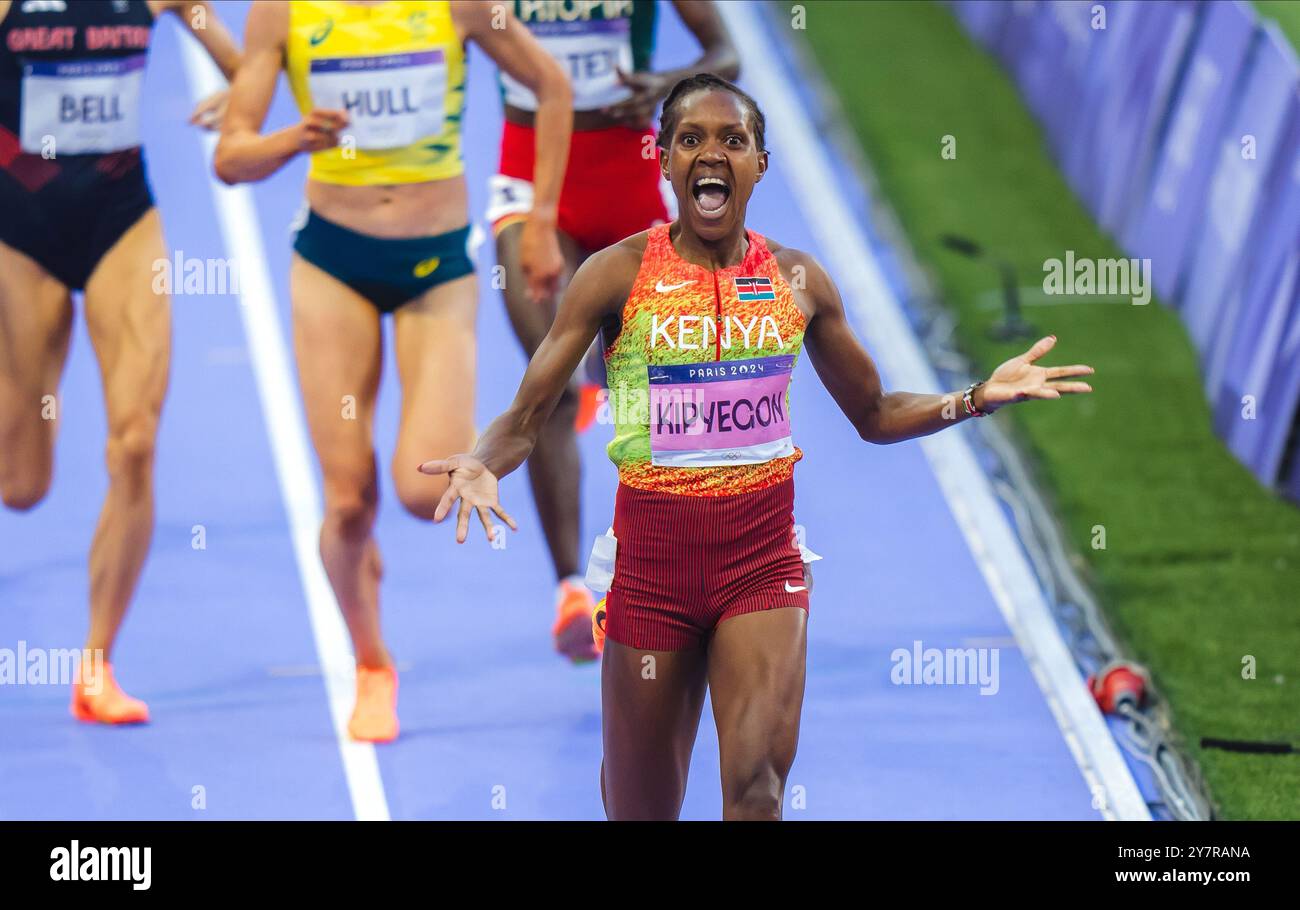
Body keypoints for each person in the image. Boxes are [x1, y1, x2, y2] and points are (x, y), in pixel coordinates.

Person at [420, 74, 1096, 819]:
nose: (712, 154)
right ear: (665, 161)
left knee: (757, 793)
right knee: (640, 809)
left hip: (760, 564)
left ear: (759, 164)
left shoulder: (797, 280)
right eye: (691, 140)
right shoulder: (615, 275)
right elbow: (527, 416)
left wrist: (974, 398)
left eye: (733, 140)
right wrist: (482, 459)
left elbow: (874, 412)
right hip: (651, 573)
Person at [214, 0, 571, 743]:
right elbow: (231, 156)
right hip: (332, 265)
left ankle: (382, 560)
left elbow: (551, 84)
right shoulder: (281, 13)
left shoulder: (459, 6)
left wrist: (541, 220)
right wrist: (293, 138)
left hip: (434, 268)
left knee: (422, 489)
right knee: (348, 502)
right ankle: (372, 661)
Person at [0, 0, 239, 725]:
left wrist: (243, 95)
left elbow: (249, 65)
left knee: (134, 442)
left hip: (122, 221)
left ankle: (96, 664)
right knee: (20, 485)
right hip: (19, 226)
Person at [487, 0, 738, 663]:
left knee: (667, 392)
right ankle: (572, 590)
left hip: (627, 176)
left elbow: (726, 54)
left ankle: (678, 571)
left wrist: (670, 86)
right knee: (551, 383)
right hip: (529, 176)